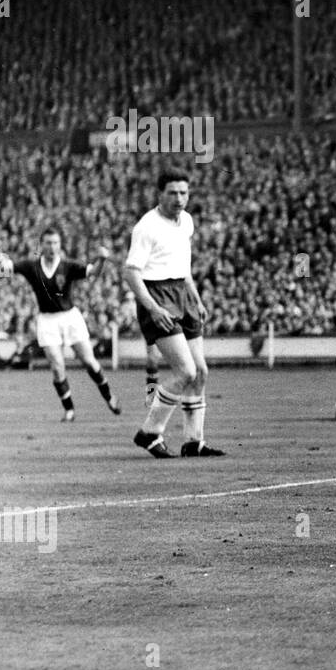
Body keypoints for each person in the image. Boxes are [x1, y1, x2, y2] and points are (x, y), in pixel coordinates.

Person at [124, 169, 224, 458]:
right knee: (185, 371)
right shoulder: (147, 227)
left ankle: (194, 441)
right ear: (159, 194)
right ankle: (149, 432)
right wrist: (153, 308)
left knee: (200, 372)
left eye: (183, 192)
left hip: (182, 292)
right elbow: (130, 273)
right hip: (157, 295)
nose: (179, 198)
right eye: (172, 192)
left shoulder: (187, 221)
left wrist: (195, 297)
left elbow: (183, 263)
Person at [0, 227, 121, 421]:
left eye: (55, 243)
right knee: (56, 365)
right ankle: (69, 410)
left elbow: (93, 272)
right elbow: (3, 271)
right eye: (48, 243)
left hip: (70, 317)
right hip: (47, 320)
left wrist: (101, 259)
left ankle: (110, 398)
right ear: (41, 245)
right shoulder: (31, 265)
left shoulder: (68, 265)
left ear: (60, 245)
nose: (52, 247)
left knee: (88, 361)